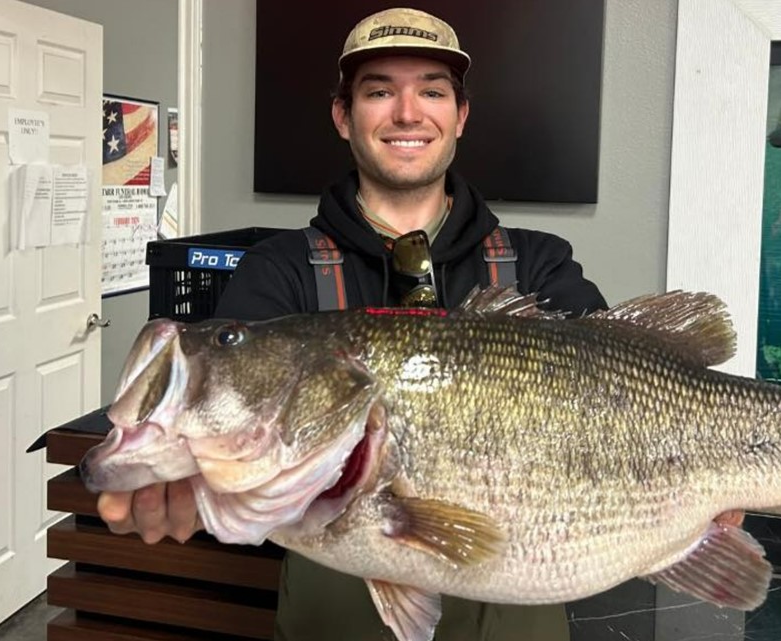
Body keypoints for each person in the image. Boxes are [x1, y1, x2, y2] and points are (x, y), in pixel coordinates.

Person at [97, 7, 607, 640]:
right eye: (378, 91)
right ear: (343, 116)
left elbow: (624, 391)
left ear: (460, 116)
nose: (407, 112)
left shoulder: (538, 263)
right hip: (335, 618)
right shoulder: (278, 271)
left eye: (432, 90)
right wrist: (185, 478)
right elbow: (235, 417)